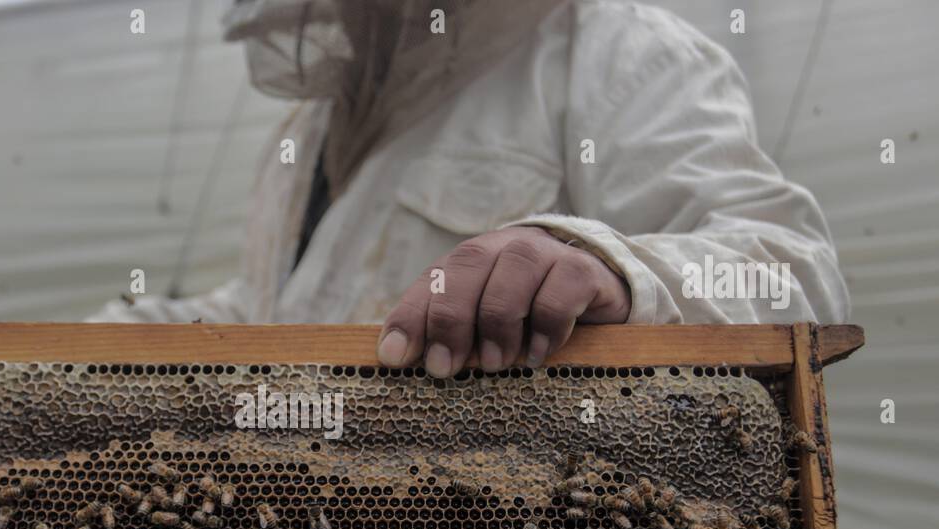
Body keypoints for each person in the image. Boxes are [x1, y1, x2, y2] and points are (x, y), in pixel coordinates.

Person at [92, 0, 849, 377]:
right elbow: (275, 311)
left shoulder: (620, 53)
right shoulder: (320, 118)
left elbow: (794, 275)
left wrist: (606, 266)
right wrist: (104, 343)